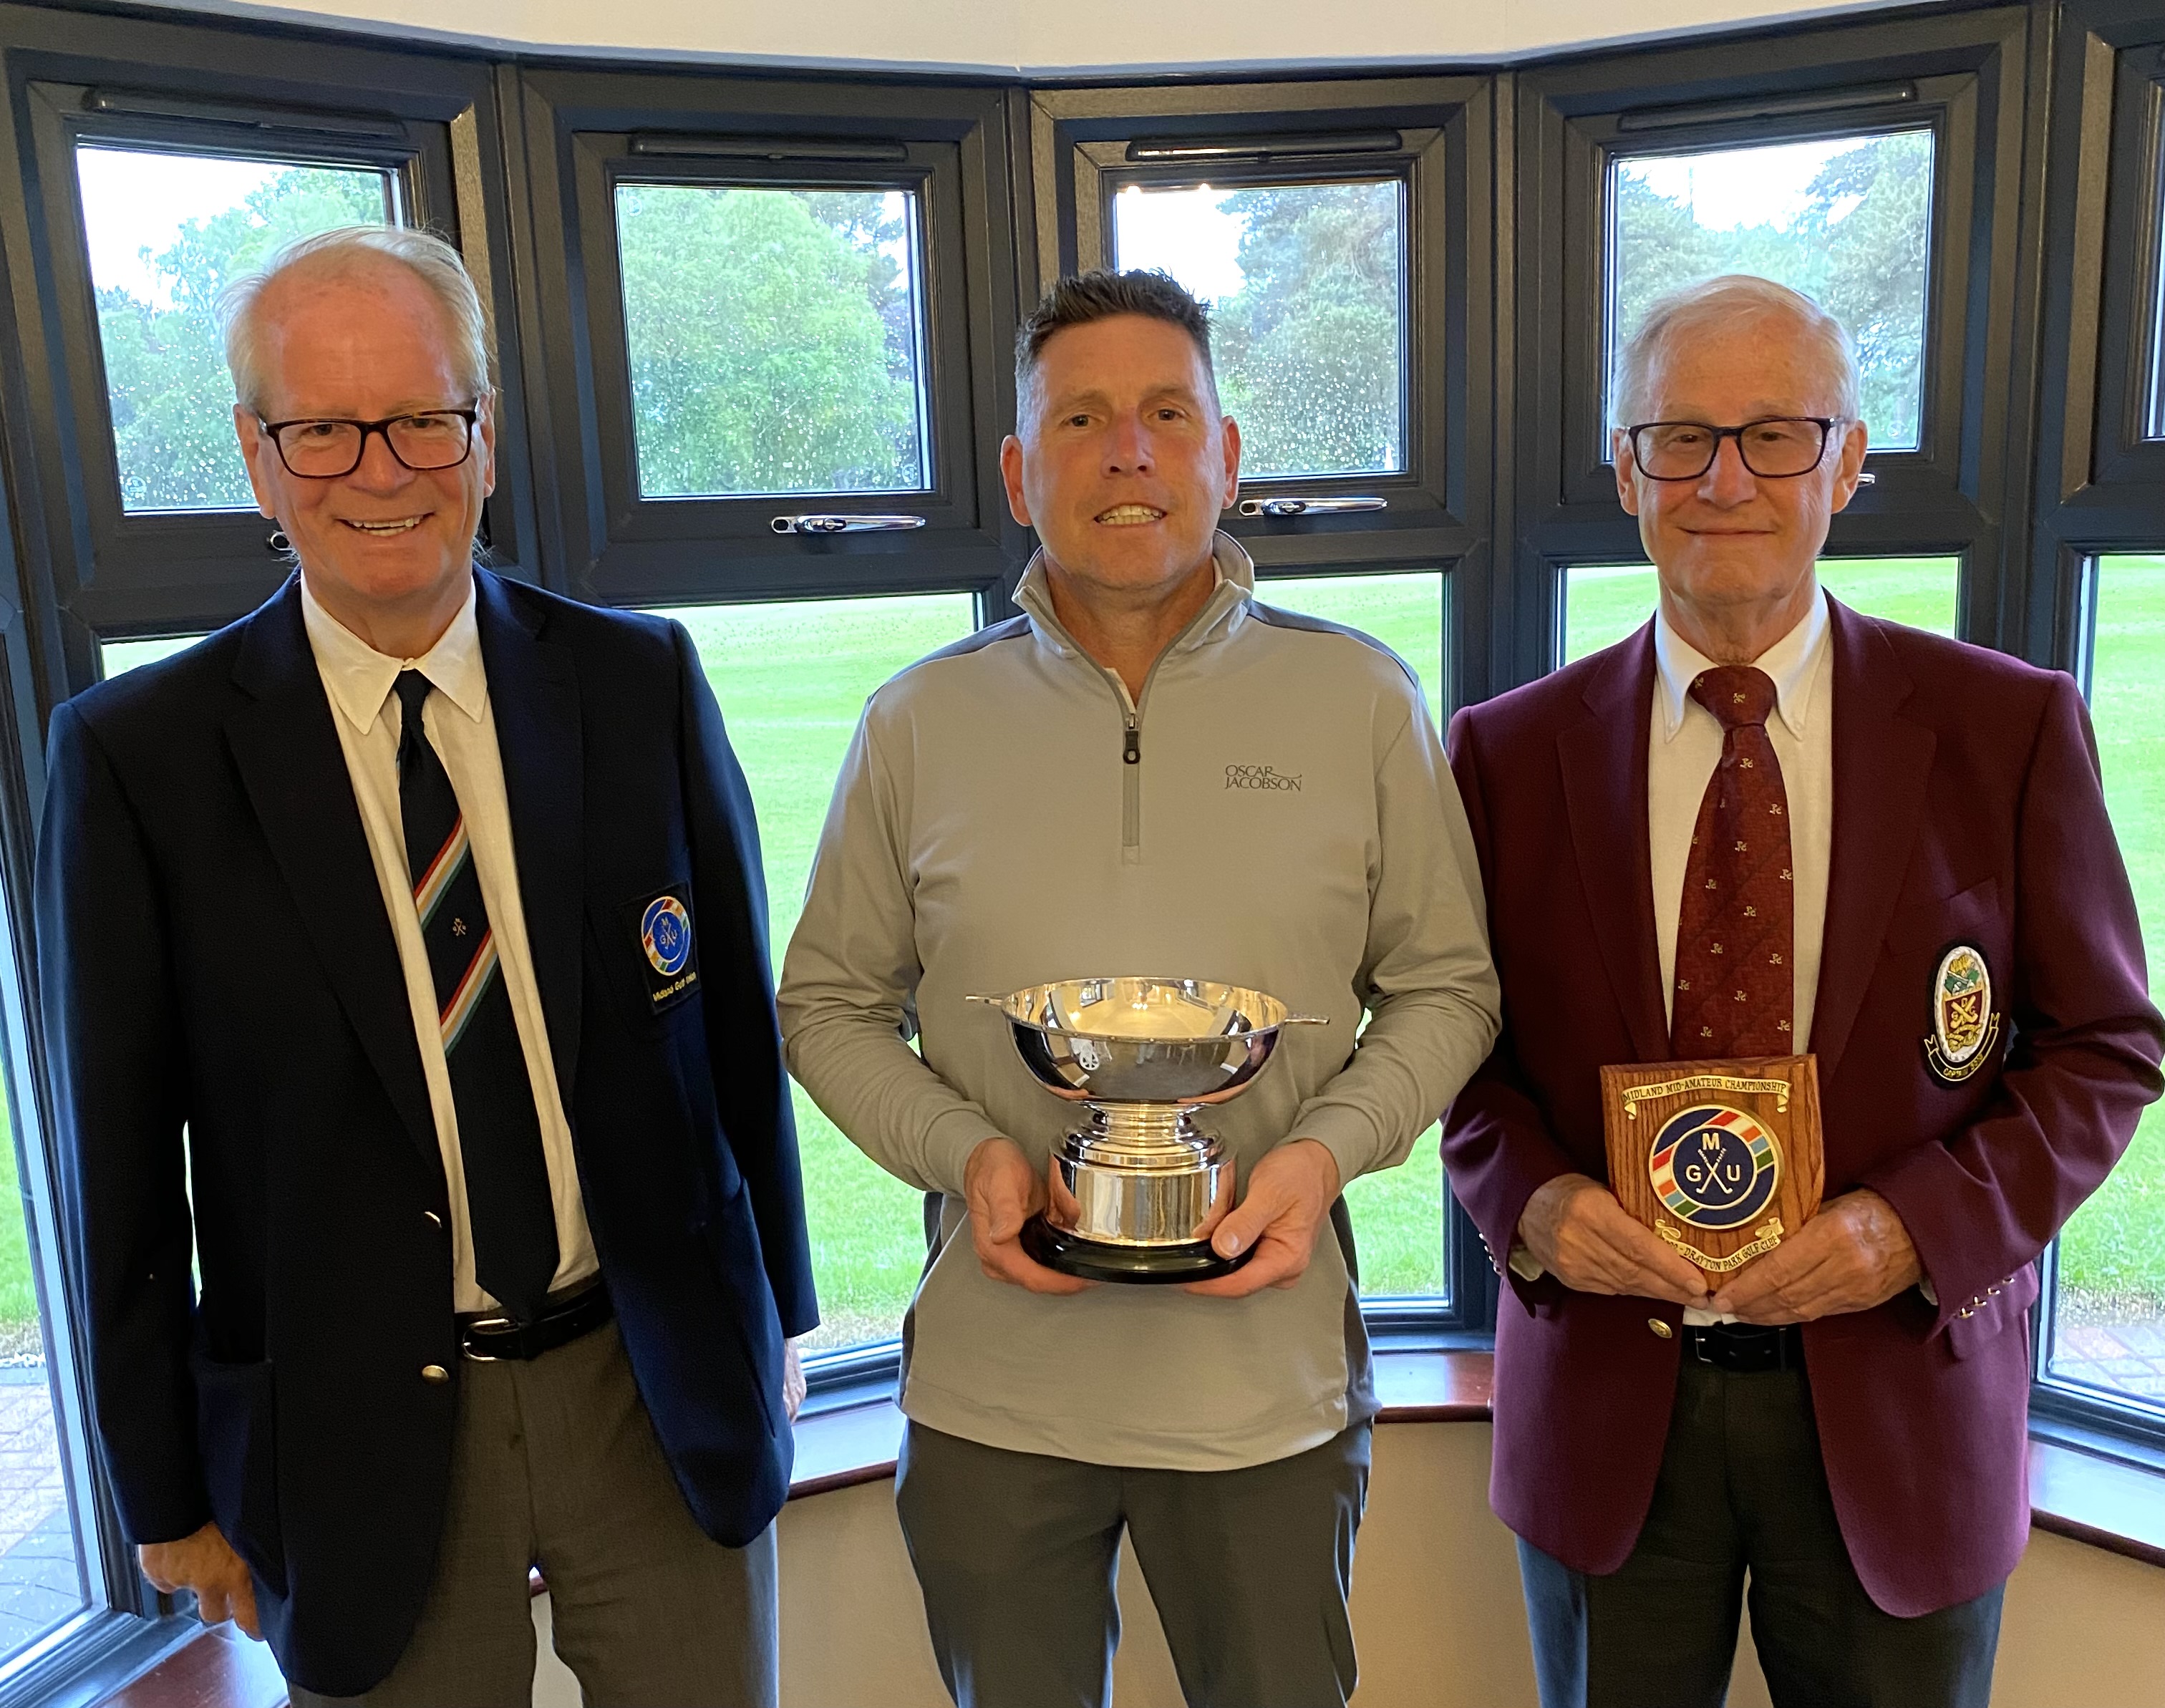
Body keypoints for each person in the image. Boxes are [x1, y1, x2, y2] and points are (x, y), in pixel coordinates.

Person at [34, 225, 815, 1706]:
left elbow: (723, 1034)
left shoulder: (638, 681)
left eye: (423, 418)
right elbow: (120, 1177)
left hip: (647, 1384)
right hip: (346, 1426)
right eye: (324, 428)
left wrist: (777, 1305)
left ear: (487, 434)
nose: (381, 469)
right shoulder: (141, 759)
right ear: (259, 459)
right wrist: (164, 1490)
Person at [778, 268, 1500, 1708]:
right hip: (994, 1391)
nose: (1129, 452)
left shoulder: (1361, 700)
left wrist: (1320, 1153)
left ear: (1228, 455)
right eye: (1083, 418)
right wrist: (967, 1152)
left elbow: (1448, 987)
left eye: (1170, 413)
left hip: (1266, 1389)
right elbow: (828, 1003)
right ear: (1017, 468)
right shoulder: (917, 720)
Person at [1442, 273, 2164, 1708]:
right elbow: (1451, 1051)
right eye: (1681, 437)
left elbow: (2106, 1048)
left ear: (1849, 459)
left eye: (1777, 434)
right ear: (1624, 468)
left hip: (1901, 1392)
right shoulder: (1505, 755)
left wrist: (1918, 1227)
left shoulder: (2004, 725)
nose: (1725, 479)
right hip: (1609, 1403)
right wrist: (1532, 1201)